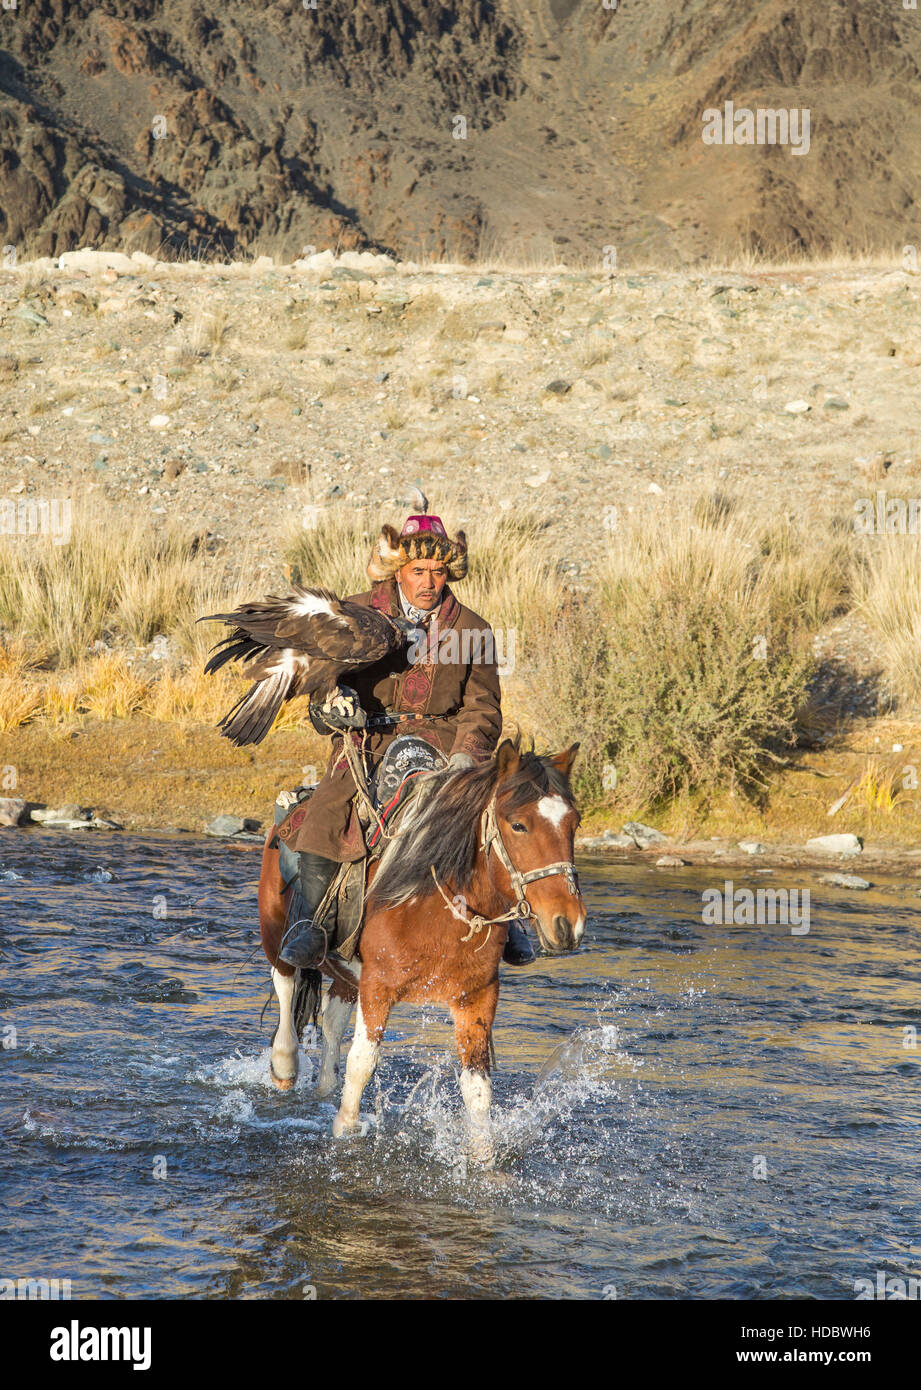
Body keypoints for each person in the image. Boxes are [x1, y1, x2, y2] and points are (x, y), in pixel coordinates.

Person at [274, 511, 535, 967]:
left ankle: (506, 923)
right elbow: (318, 680)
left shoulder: (473, 629)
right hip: (365, 739)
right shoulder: (352, 614)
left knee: (488, 816)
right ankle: (311, 925)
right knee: (328, 809)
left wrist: (465, 755)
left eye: (438, 572)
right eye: (418, 572)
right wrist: (332, 705)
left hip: (444, 743)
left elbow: (483, 706)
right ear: (399, 571)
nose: (429, 582)